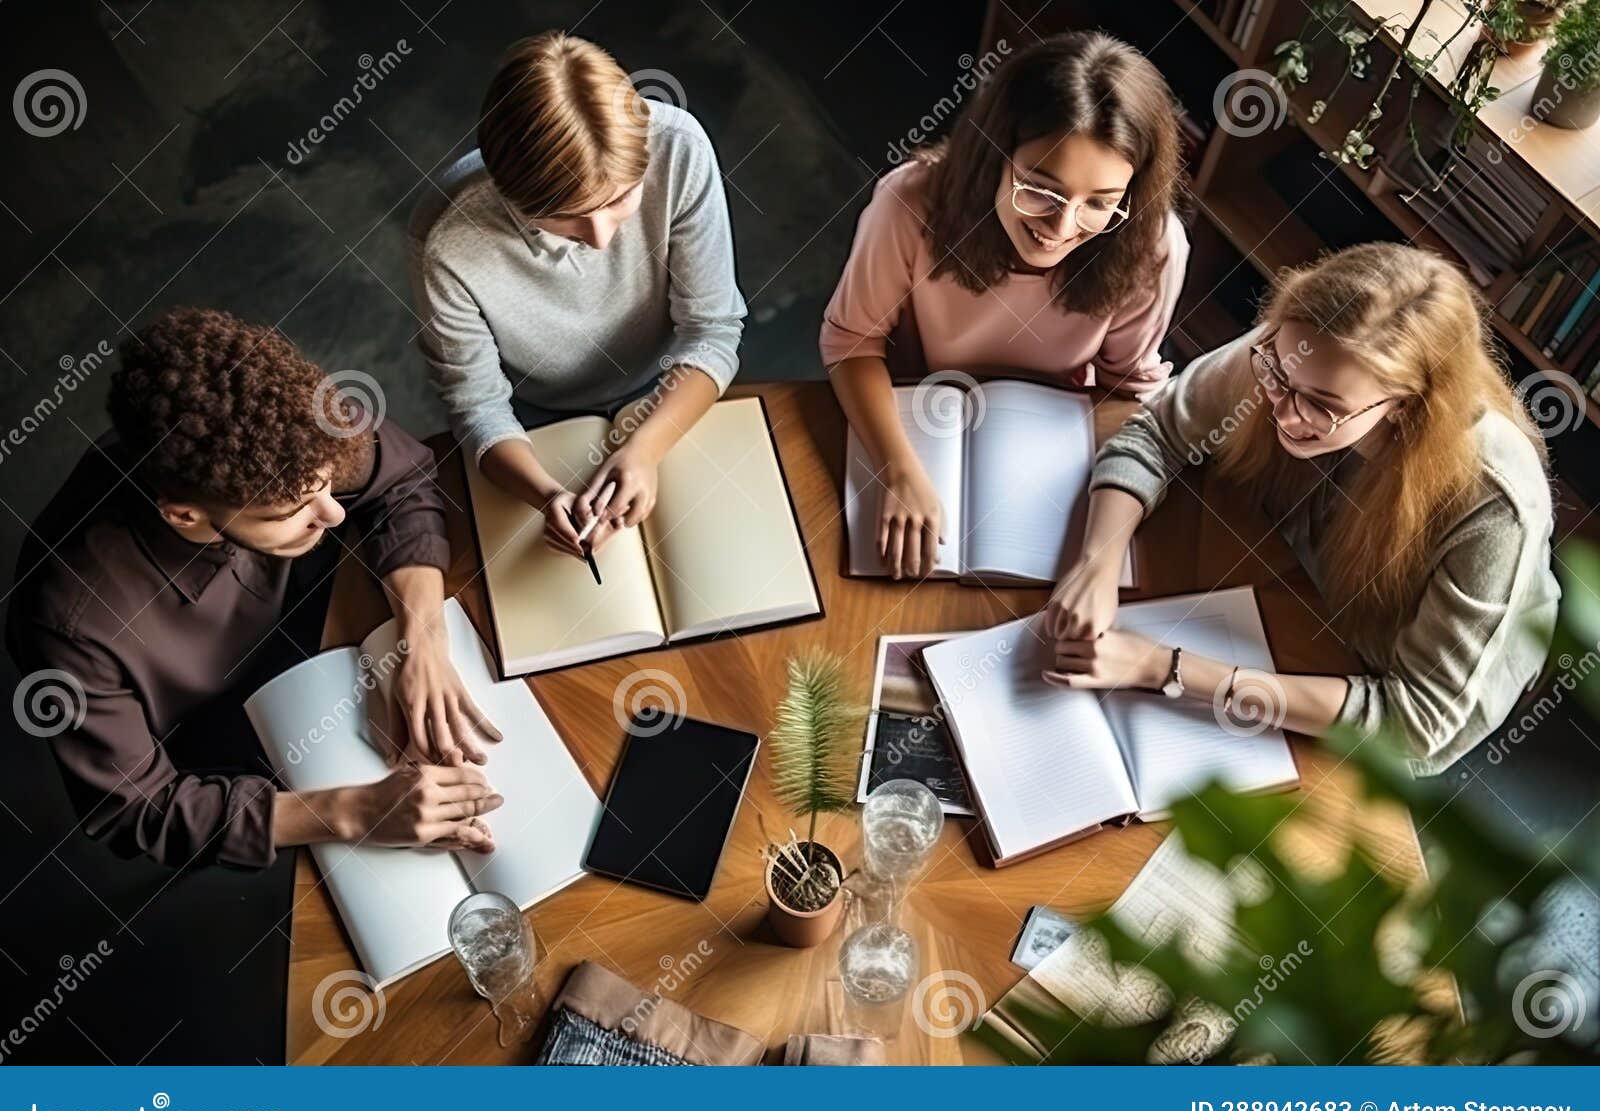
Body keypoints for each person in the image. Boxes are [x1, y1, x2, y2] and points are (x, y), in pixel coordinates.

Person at [7, 307, 506, 870]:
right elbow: (140, 811)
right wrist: (354, 812)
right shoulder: (69, 622)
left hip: (333, 621)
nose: (336, 516)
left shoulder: (290, 425)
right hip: (226, 743)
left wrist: (421, 637)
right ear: (186, 516)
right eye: (294, 511)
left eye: (327, 486)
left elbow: (401, 483)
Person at [1045, 242, 1560, 774]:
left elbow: (1416, 725)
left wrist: (1163, 667)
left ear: (1407, 406)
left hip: (1382, 660)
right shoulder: (1306, 351)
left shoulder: (1493, 504)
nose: (1285, 414)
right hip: (1293, 582)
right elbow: (1158, 432)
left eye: (1322, 406)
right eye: (1279, 378)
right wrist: (1099, 562)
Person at [822, 31, 1190, 579]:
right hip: (914, 412)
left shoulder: (1155, 245)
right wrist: (898, 470)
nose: (1062, 229)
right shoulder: (910, 202)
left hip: (1047, 437)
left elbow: (1125, 386)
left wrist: (1100, 536)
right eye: (1040, 189)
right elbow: (853, 341)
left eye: (1101, 204)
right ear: (993, 154)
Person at [408, 31, 745, 559]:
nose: (602, 238)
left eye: (621, 200)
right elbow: (476, 405)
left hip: (672, 383)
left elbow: (712, 329)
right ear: (507, 191)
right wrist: (546, 497)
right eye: (566, 219)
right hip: (537, 419)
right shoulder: (446, 239)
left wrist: (646, 449)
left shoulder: (679, 149)